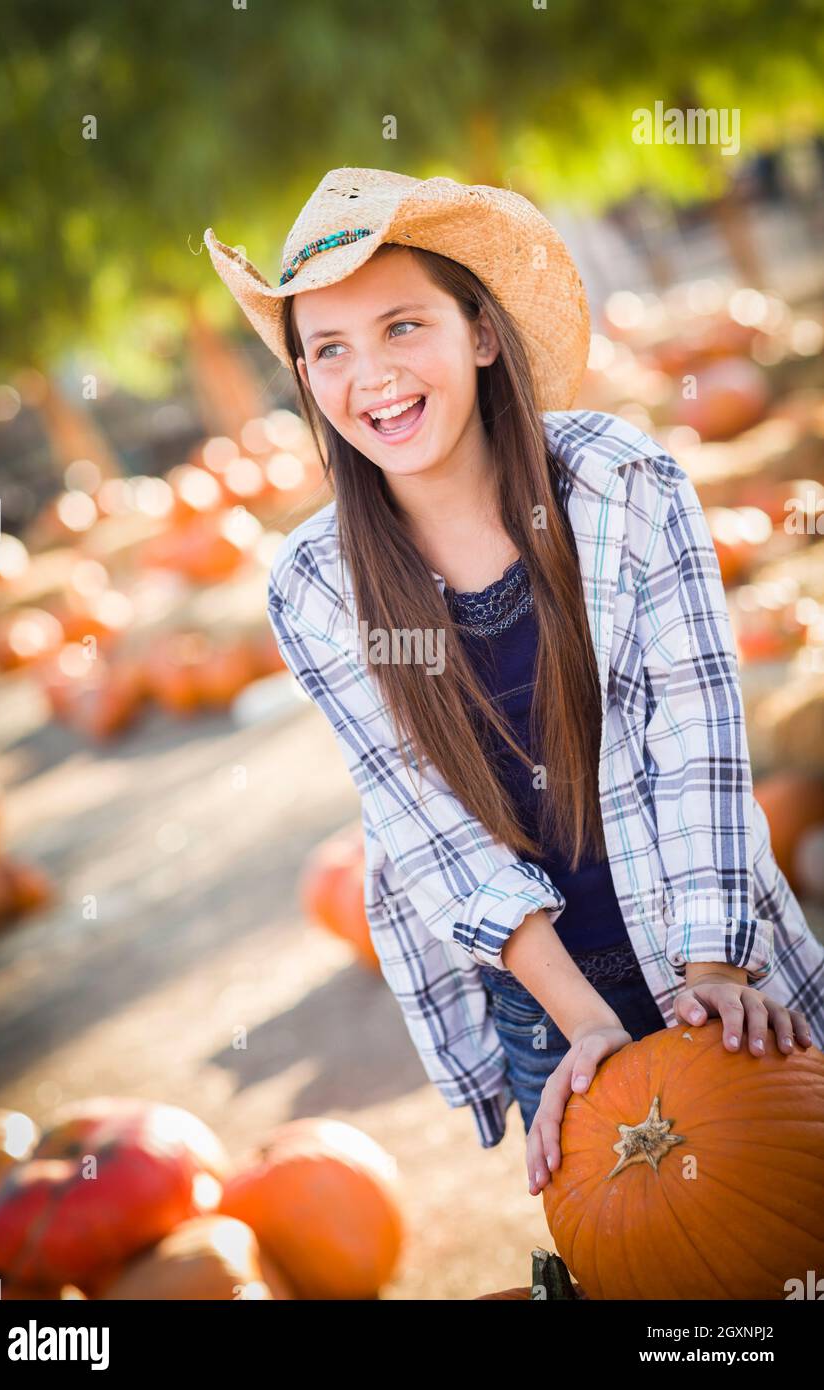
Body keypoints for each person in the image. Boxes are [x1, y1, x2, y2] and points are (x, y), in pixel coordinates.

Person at [204, 167, 822, 1199]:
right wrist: (582, 1019)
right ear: (305, 377)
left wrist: (712, 971)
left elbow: (695, 733)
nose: (372, 377)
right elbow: (423, 822)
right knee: (652, 1268)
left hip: (717, 950)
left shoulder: (618, 481)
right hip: (545, 1010)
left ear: (481, 333)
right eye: (329, 349)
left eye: (404, 326)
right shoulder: (315, 585)